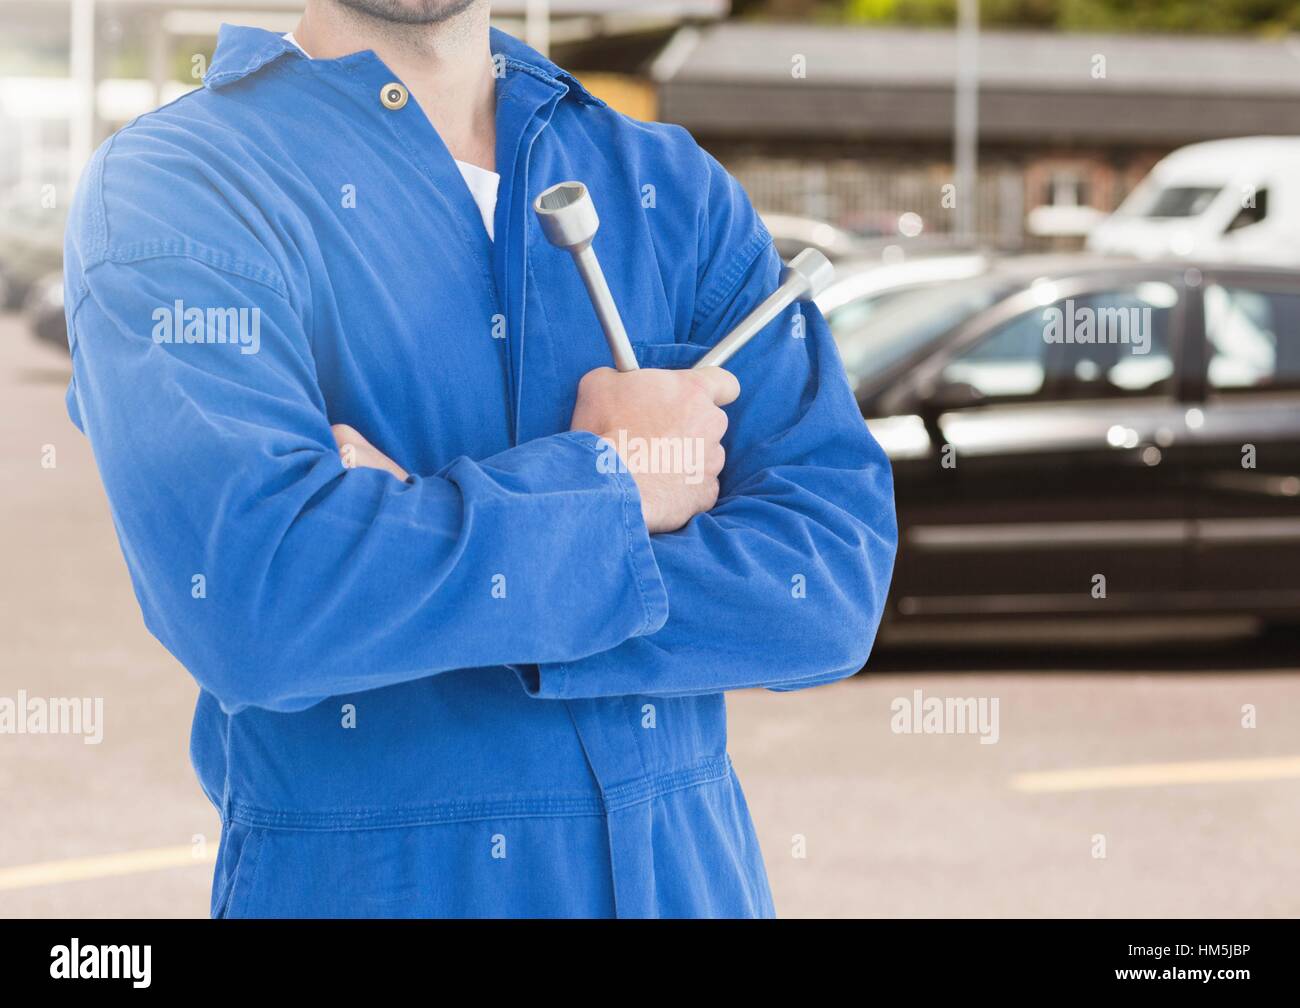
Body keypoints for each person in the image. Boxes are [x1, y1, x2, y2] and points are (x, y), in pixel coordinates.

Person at [63, 0, 897, 918]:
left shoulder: (671, 189)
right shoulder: (181, 190)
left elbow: (828, 585)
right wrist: (613, 486)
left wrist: (408, 546)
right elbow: (258, 598)